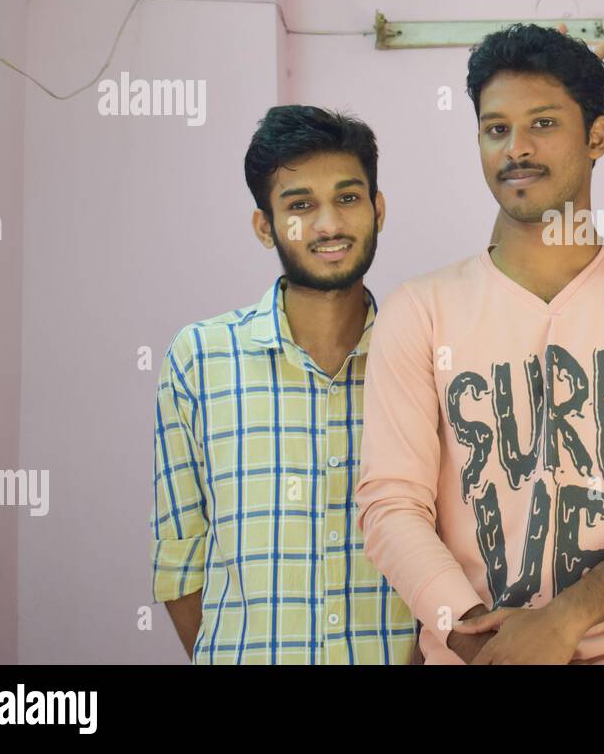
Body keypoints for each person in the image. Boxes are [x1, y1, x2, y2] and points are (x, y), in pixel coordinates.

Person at [356, 24, 604, 664]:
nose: (516, 148)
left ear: (596, 136)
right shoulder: (419, 310)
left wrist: (565, 620)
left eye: (543, 123)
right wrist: (478, 638)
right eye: (496, 128)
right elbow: (390, 507)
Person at [151, 105, 415, 664]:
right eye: (300, 206)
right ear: (264, 226)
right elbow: (180, 559)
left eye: (348, 197)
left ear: (378, 209)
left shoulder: (424, 357)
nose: (328, 225)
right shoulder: (199, 360)